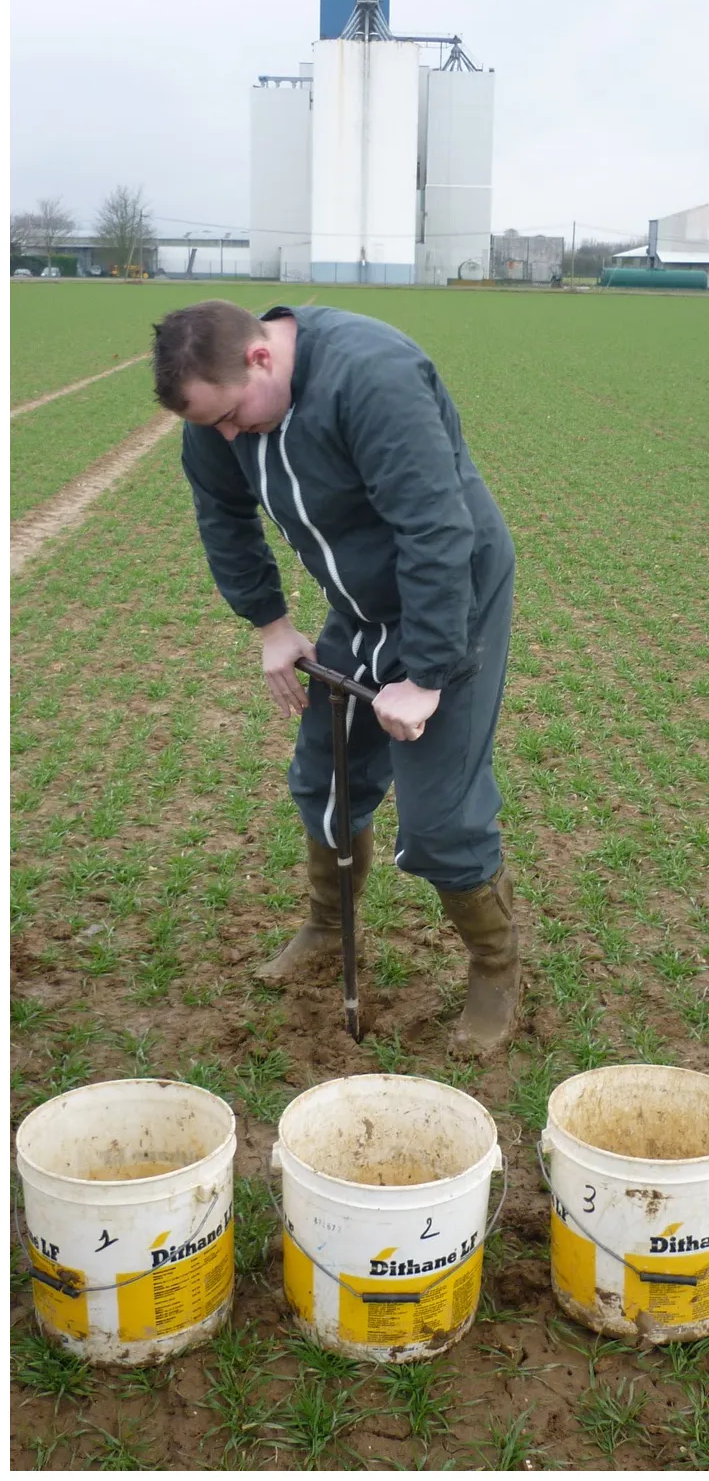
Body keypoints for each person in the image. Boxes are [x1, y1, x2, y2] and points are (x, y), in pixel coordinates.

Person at [151, 299, 519, 1056]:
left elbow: (434, 528)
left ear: (260, 357)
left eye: (232, 416)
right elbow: (223, 515)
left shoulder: (372, 376)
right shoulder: (220, 416)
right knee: (324, 777)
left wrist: (427, 674)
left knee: (441, 820)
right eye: (212, 426)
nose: (228, 437)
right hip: (360, 606)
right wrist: (272, 625)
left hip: (453, 599)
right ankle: (326, 925)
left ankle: (495, 968)